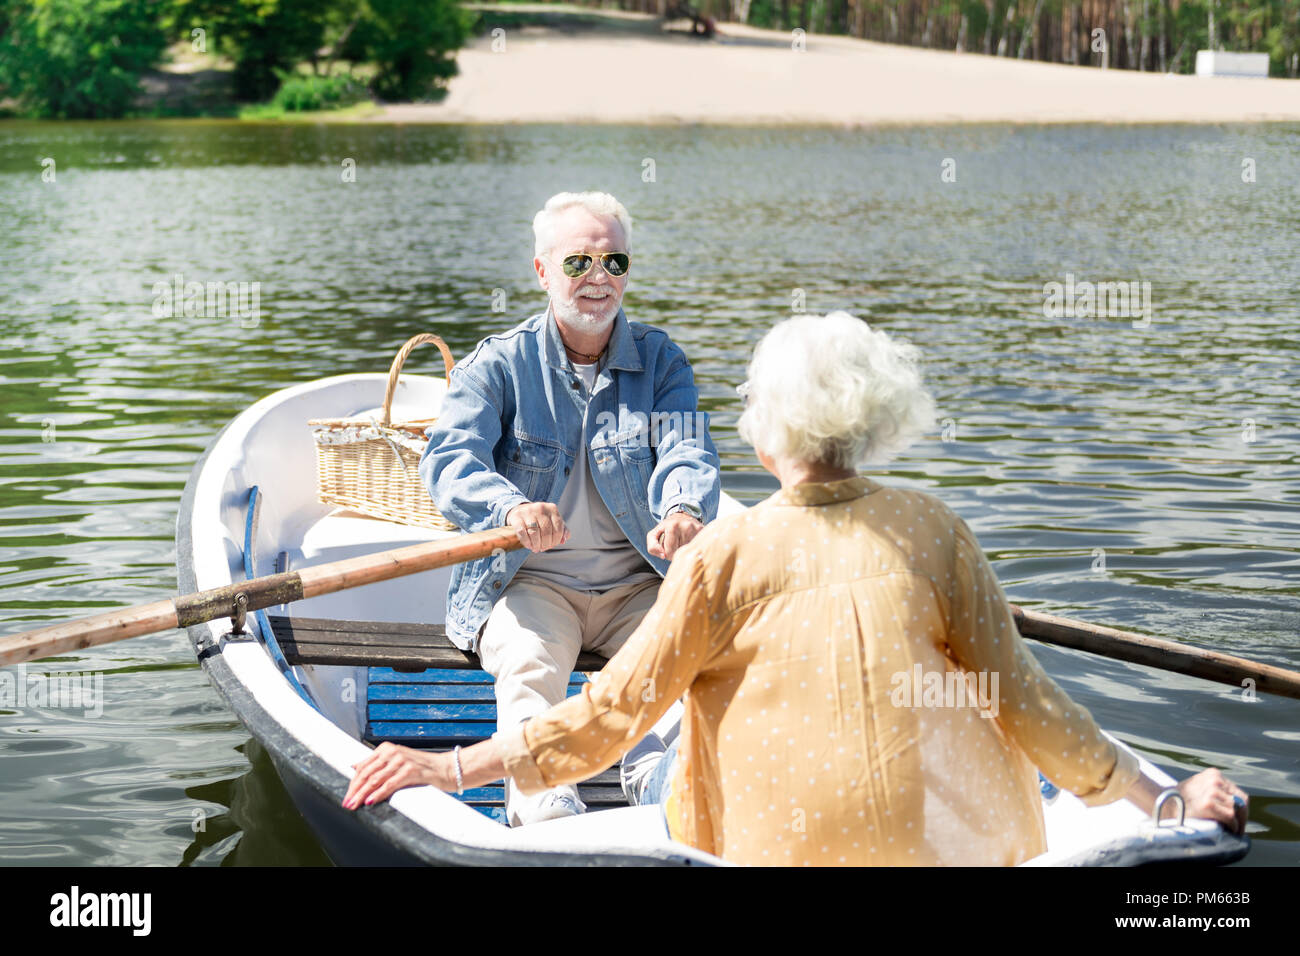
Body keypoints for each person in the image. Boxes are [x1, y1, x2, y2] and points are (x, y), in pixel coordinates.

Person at [352, 311, 1248, 865]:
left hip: (763, 851)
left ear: (766, 430)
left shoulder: (721, 555)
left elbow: (609, 712)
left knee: (660, 741)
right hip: (945, 848)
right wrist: (1164, 800)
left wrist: (448, 765)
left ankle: (645, 786)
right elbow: (1024, 700)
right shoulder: (937, 530)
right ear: (870, 421)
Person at [414, 191, 720, 826]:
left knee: (668, 684)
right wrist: (508, 508)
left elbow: (688, 448)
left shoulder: (663, 362)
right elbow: (447, 462)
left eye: (614, 262)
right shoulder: (497, 364)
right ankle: (543, 801)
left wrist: (685, 510)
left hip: (640, 582)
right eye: (578, 262)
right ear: (542, 271)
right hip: (533, 583)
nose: (598, 279)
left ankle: (661, 788)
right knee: (528, 669)